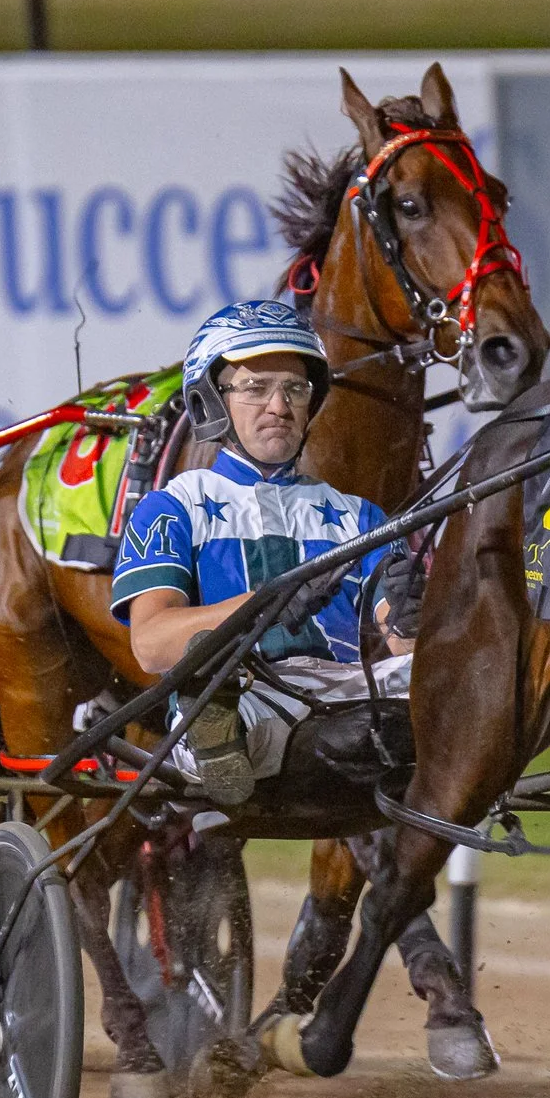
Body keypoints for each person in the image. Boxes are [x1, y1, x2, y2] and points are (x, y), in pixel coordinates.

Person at [110, 300, 424, 804]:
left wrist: (414, 623)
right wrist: (265, 602)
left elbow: (403, 648)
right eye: (256, 388)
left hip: (343, 694)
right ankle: (217, 737)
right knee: (221, 690)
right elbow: (150, 645)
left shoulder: (359, 516)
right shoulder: (171, 508)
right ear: (212, 402)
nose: (279, 406)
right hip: (243, 691)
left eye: (294, 390)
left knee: (452, 681)